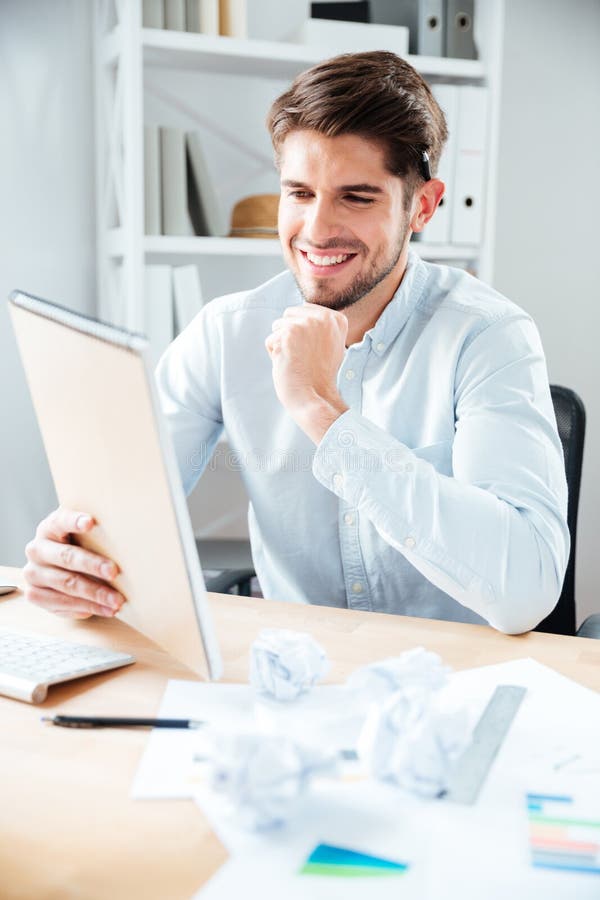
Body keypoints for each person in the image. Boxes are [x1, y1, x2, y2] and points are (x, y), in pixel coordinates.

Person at [23, 52, 568, 633]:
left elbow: (524, 593)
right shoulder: (226, 331)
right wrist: (73, 564)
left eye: (356, 197)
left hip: (454, 684)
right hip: (296, 680)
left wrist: (323, 413)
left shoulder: (487, 335)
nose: (316, 229)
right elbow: (119, 520)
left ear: (423, 206)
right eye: (300, 193)